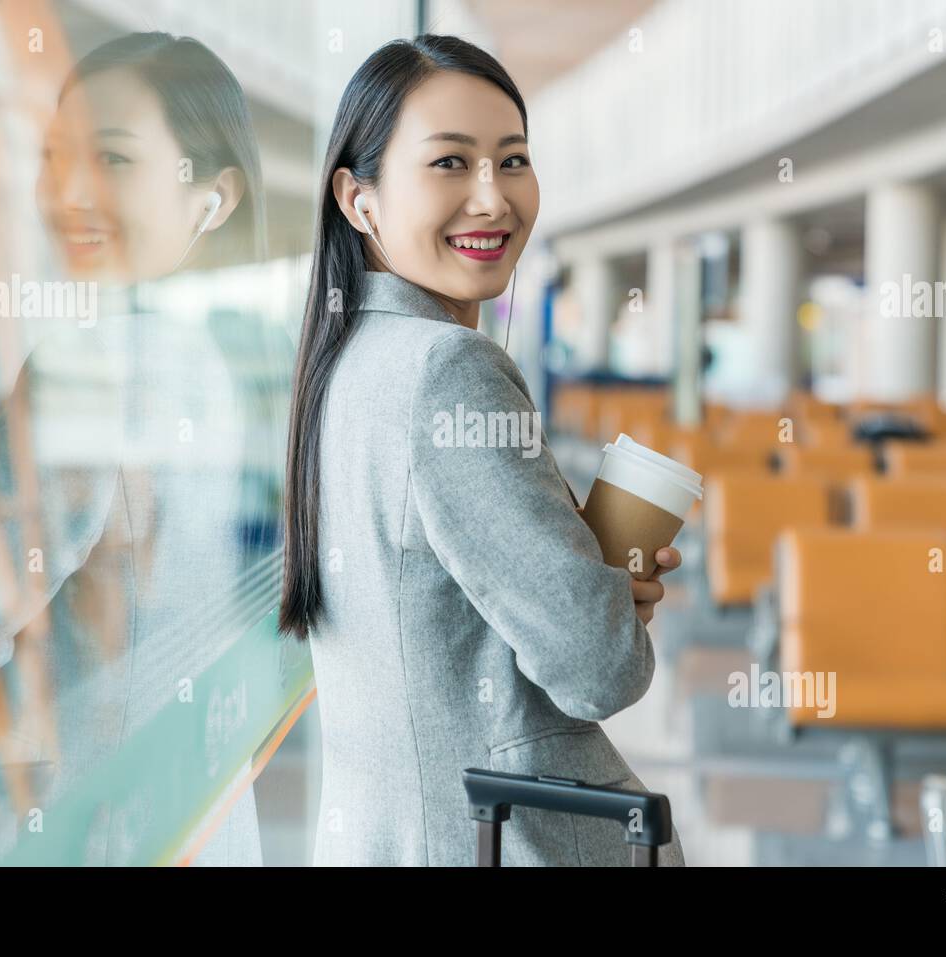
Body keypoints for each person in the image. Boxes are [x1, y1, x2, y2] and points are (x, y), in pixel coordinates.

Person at [280, 34, 687, 866]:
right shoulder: (447, 369)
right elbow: (600, 670)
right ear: (358, 200)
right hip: (493, 839)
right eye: (449, 164)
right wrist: (608, 601)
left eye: (512, 161)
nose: (493, 198)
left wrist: (579, 574)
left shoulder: (343, 359)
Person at [6, 31, 267, 865]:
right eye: (55, 156)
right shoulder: (226, 363)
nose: (68, 192)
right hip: (206, 801)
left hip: (100, 818)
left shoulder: (80, 371)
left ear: (212, 198)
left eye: (112, 158)